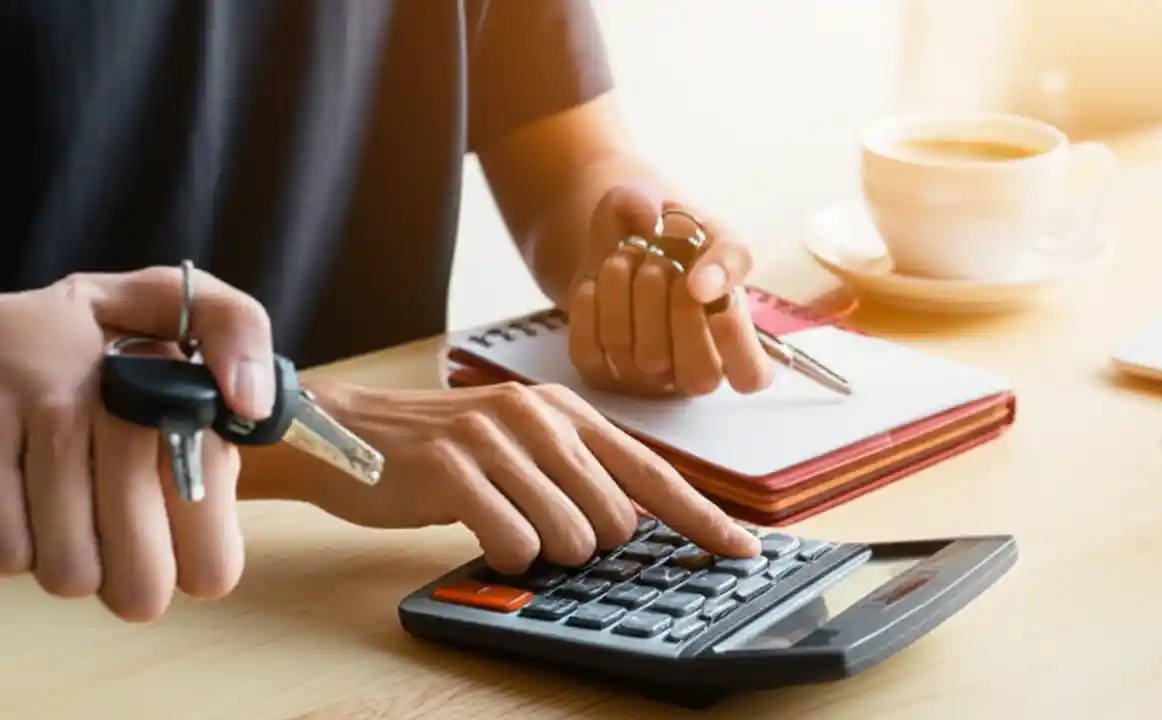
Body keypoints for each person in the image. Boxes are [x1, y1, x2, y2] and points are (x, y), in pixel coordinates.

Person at [2, 2, 776, 622]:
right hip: (59, 580)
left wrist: (638, 259)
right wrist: (309, 432)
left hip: (378, 553)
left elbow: (566, 144)